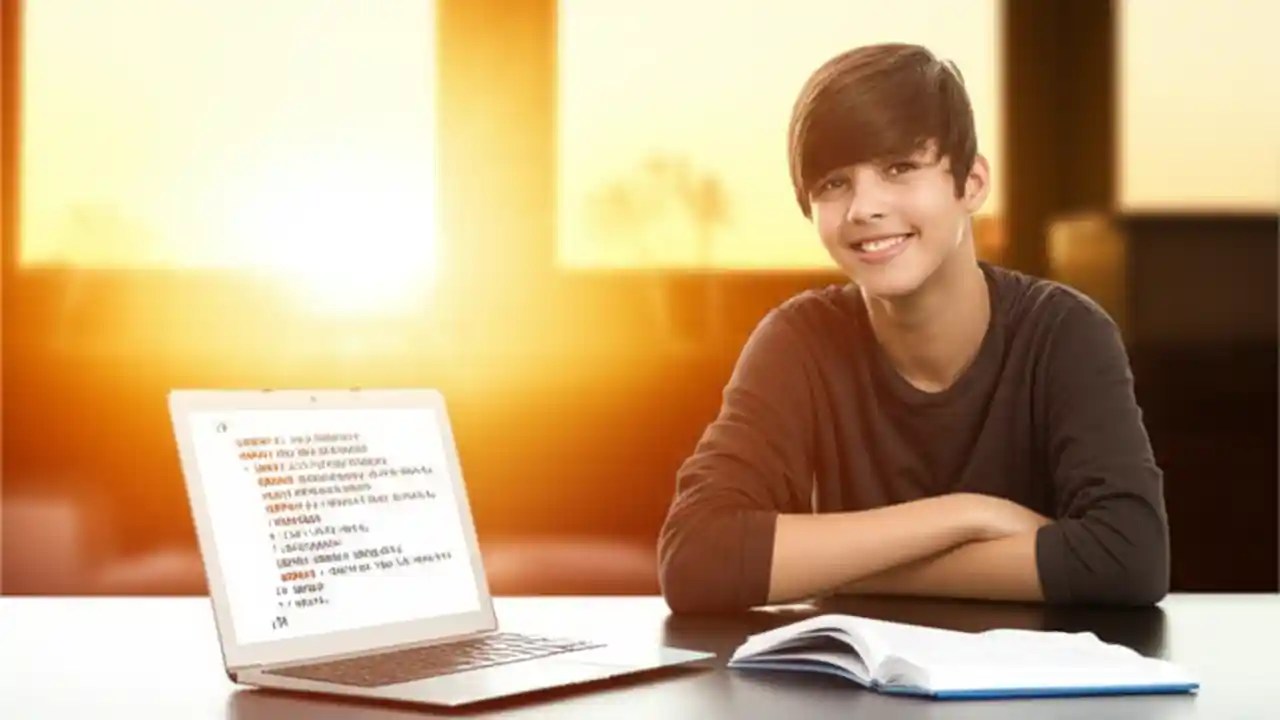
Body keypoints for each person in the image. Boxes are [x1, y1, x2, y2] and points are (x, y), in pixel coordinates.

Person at [657, 43, 1169, 612]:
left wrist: (832, 572)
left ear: (971, 183)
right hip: (849, 693)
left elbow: (1128, 558)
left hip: (1029, 694)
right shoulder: (797, 340)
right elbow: (696, 558)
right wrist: (967, 515)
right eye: (833, 183)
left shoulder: (1066, 333)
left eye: (899, 168)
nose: (864, 207)